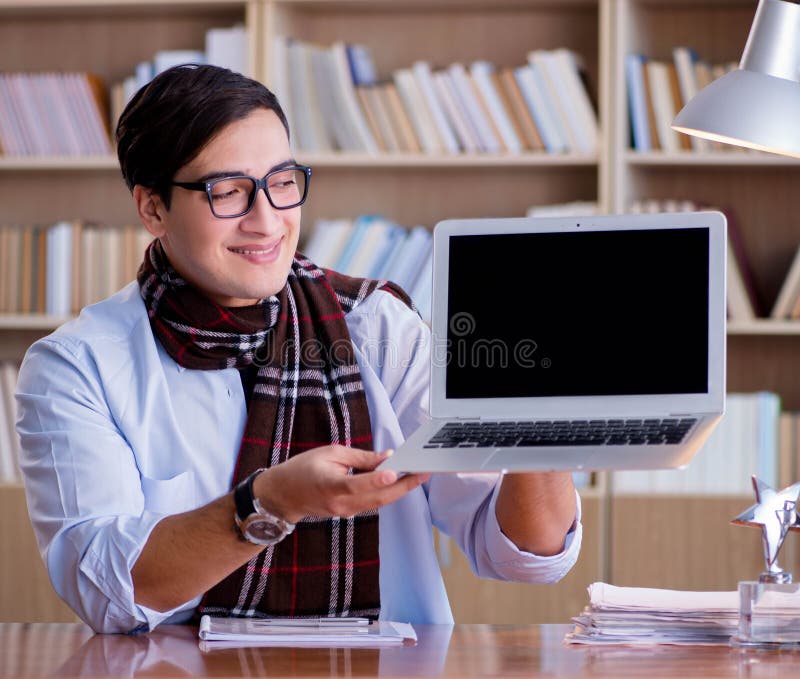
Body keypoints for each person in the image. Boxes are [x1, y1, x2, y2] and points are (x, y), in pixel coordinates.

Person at [15, 64, 581, 634]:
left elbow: (524, 554)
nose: (267, 222)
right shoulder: (76, 366)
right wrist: (270, 503)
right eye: (228, 192)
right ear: (152, 208)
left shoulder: (377, 326)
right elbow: (108, 595)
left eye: (282, 183)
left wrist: (533, 417)